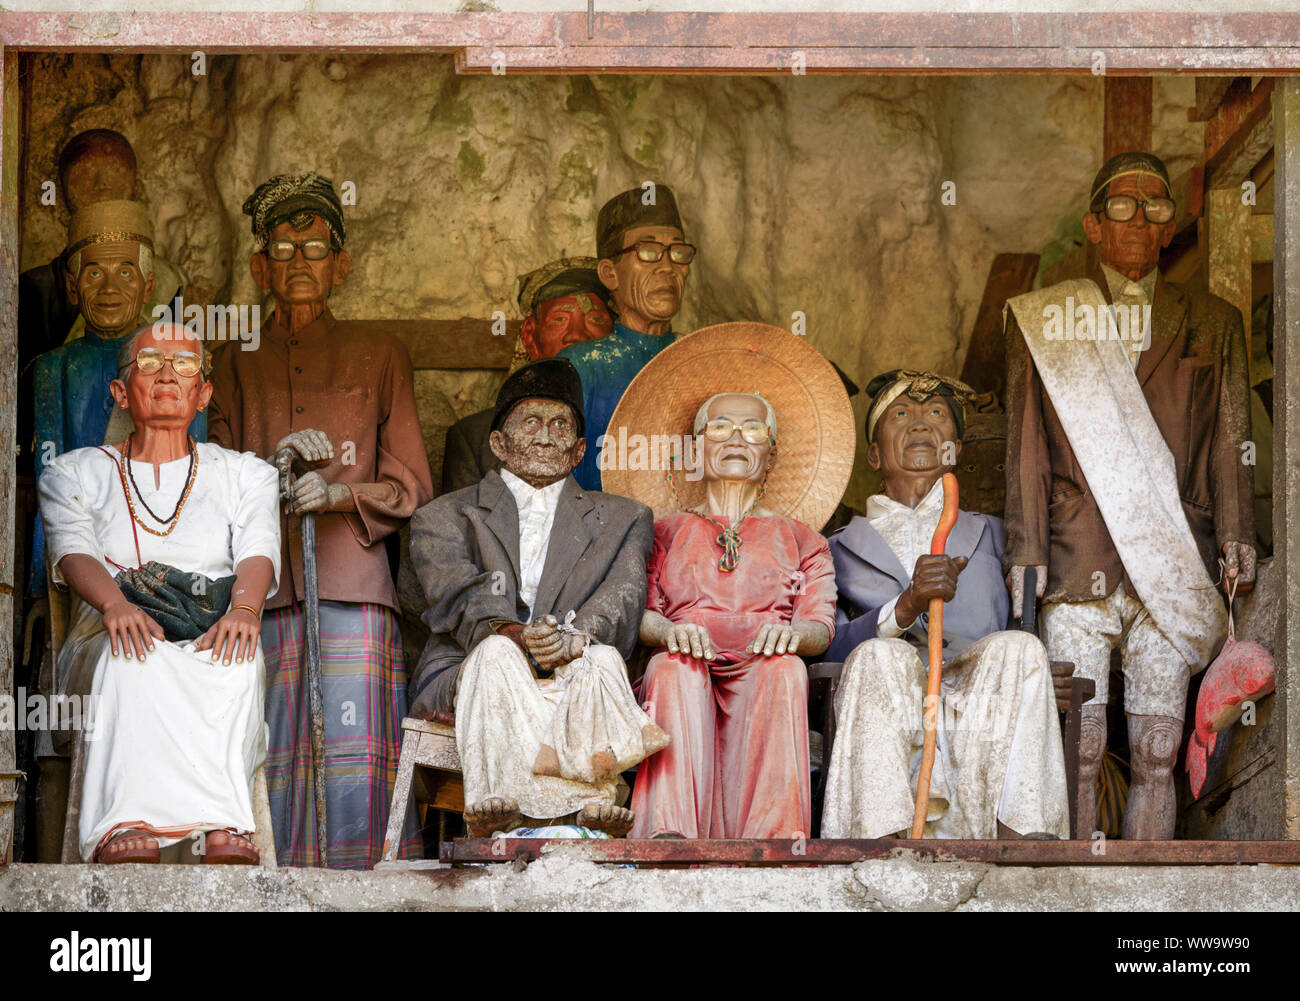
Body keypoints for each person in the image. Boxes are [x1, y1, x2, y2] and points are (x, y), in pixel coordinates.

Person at [1004, 151, 1254, 840]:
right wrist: (1024, 551)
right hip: (1073, 552)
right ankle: (1077, 884)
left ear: (1172, 226)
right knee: (1077, 748)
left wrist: (1237, 533)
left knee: (1156, 749)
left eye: (1158, 205)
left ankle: (1148, 883)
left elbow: (1232, 441)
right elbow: (1025, 443)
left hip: (1173, 556)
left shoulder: (1214, 320)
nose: (1141, 218)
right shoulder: (1044, 318)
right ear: (1093, 224)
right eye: (1123, 204)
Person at [208, 172, 435, 867]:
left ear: (341, 264)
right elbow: (212, 482)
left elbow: (412, 484)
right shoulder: (233, 358)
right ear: (258, 265)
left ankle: (361, 897)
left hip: (353, 584)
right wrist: (269, 479)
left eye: (315, 248)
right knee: (268, 750)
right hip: (263, 591)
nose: (300, 262)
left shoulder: (381, 351)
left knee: (355, 755)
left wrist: (335, 495)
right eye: (283, 247)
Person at [37, 321, 280, 864]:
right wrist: (115, 604)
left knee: (236, 660)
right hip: (110, 628)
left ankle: (223, 823)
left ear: (203, 394)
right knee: (131, 658)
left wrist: (244, 608)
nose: (168, 374)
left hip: (213, 623)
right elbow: (73, 550)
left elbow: (258, 550)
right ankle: (124, 822)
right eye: (149, 362)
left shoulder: (246, 474)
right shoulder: (72, 472)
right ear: (122, 390)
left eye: (185, 365)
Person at [601, 323, 853, 839]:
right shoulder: (662, 531)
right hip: (684, 656)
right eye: (720, 428)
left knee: (784, 670)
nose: (737, 437)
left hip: (763, 663)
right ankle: (668, 833)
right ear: (695, 450)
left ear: (772, 454)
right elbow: (638, 611)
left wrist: (794, 637)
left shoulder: (803, 537)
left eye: (754, 429)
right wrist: (667, 632)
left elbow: (820, 624)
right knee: (673, 669)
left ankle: (775, 837)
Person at [410, 359, 666, 836]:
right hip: (471, 664)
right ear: (498, 443)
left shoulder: (625, 517)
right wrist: (516, 636)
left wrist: (572, 641)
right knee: (497, 656)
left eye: (560, 425)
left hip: (572, 660)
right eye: (530, 422)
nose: (546, 435)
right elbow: (458, 593)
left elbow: (623, 596)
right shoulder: (443, 516)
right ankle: (502, 806)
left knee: (601, 660)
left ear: (578, 450)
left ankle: (584, 807)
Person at [820, 370, 1069, 840]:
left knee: (1018, 649)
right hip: (892, 692)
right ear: (873, 454)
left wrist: (1038, 668)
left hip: (978, 689)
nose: (920, 424)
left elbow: (1029, 621)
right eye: (901, 415)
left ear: (957, 449)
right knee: (879, 655)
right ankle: (882, 838)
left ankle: (1026, 841)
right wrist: (906, 605)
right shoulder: (834, 548)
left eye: (936, 414)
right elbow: (826, 651)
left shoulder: (1000, 535)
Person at [30, 199, 204, 597]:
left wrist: (189, 579)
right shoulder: (52, 368)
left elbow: (197, 474)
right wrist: (41, 588)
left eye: (125, 272)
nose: (109, 289)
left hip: (161, 565)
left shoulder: (181, 364)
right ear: (73, 288)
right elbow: (48, 481)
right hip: (77, 565)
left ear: (148, 286)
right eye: (94, 273)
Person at [558, 184, 693, 491]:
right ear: (610, 274)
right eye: (648, 252)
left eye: (678, 252)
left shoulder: (703, 359)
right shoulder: (580, 368)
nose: (668, 267)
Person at [441, 257, 614, 493]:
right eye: (559, 320)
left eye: (594, 320)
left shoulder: (630, 430)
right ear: (530, 337)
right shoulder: (475, 440)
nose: (576, 336)